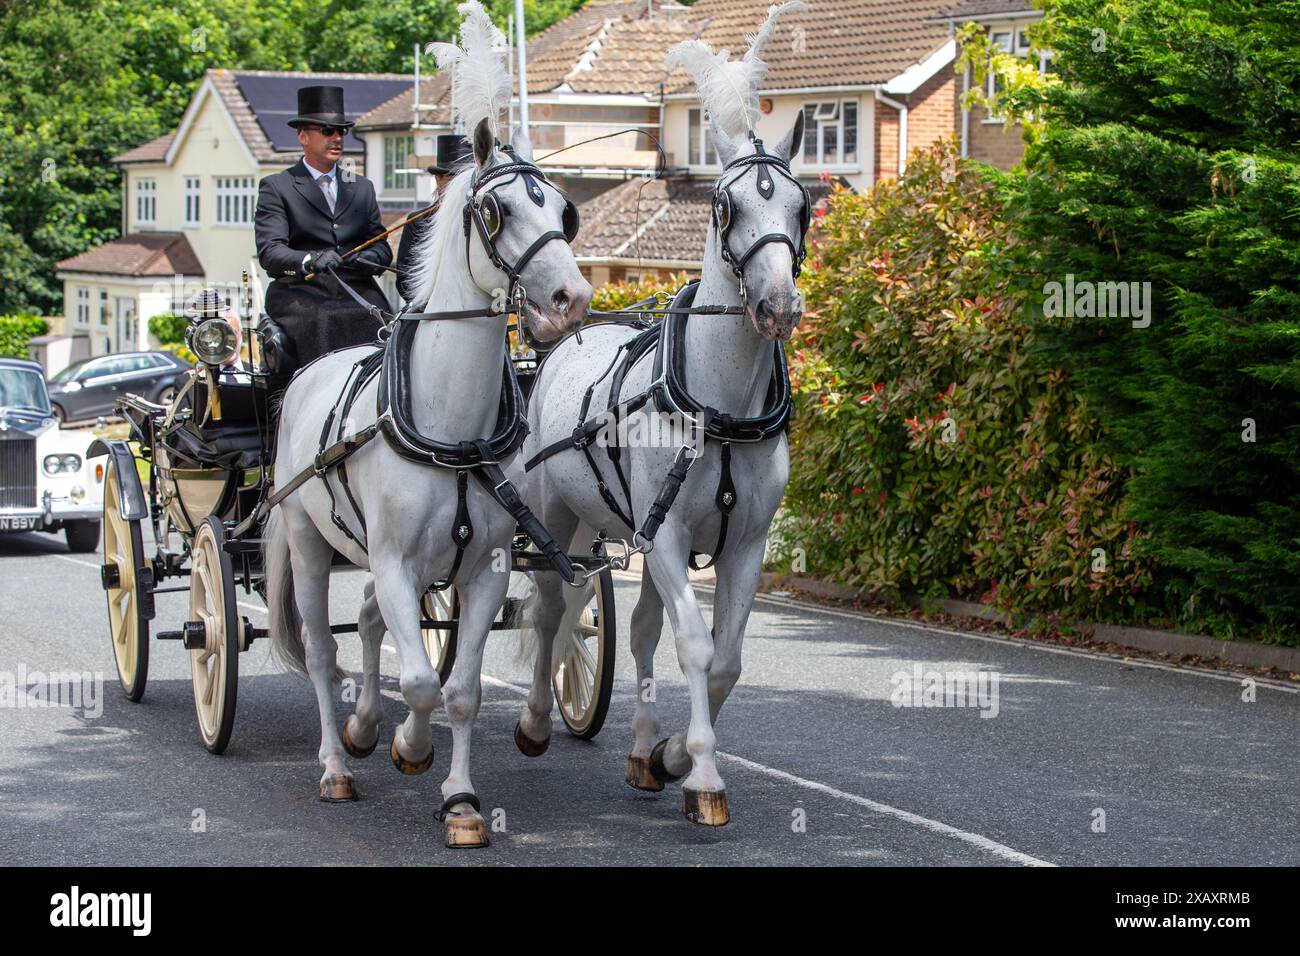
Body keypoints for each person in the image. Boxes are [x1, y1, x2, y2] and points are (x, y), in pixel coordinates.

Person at [254, 85, 393, 374]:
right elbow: (271, 252)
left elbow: (381, 246)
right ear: (303, 136)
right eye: (327, 131)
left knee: (391, 325)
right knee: (326, 321)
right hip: (301, 293)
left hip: (356, 290)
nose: (337, 138)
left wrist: (368, 259)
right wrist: (309, 260)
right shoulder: (277, 187)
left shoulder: (361, 188)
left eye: (341, 131)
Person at [395, 133, 471, 307]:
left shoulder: (483, 221)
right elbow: (404, 280)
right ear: (438, 179)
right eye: (454, 178)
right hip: (430, 311)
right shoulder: (418, 222)